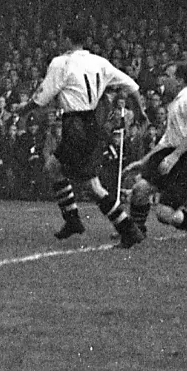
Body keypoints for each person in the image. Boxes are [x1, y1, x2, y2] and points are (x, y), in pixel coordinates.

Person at [11, 25, 144, 246]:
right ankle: (73, 220)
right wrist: (140, 113)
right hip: (92, 123)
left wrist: (22, 110)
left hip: (76, 125)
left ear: (67, 40)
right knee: (54, 168)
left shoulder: (61, 62)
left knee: (92, 185)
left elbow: (42, 97)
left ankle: (127, 229)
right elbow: (132, 86)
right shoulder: (100, 62)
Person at [123, 61, 187, 243]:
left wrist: (174, 157)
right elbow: (168, 139)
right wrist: (145, 160)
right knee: (140, 189)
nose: (162, 79)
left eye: (167, 75)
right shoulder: (175, 102)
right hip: (175, 153)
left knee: (164, 214)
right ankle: (136, 231)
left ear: (179, 80)